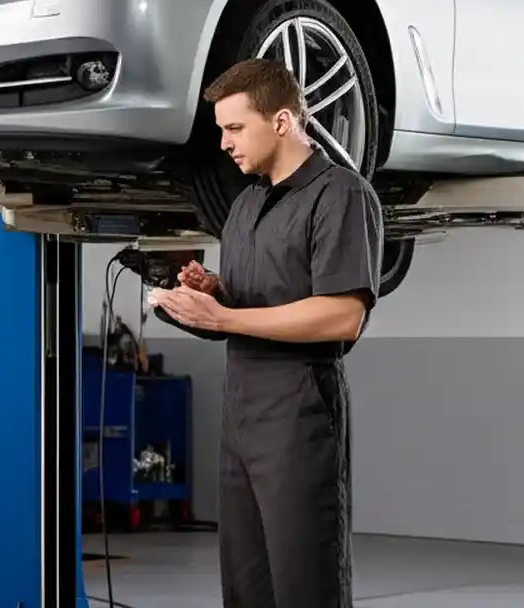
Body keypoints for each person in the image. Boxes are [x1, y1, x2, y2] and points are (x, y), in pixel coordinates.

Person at [150, 58, 384, 608]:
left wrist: (227, 318)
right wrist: (213, 293)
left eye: (235, 128)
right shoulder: (246, 204)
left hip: (299, 411)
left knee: (306, 583)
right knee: (246, 585)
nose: (226, 144)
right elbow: (254, 302)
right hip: (242, 416)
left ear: (281, 121)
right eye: (221, 131)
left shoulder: (339, 194)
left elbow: (341, 315)